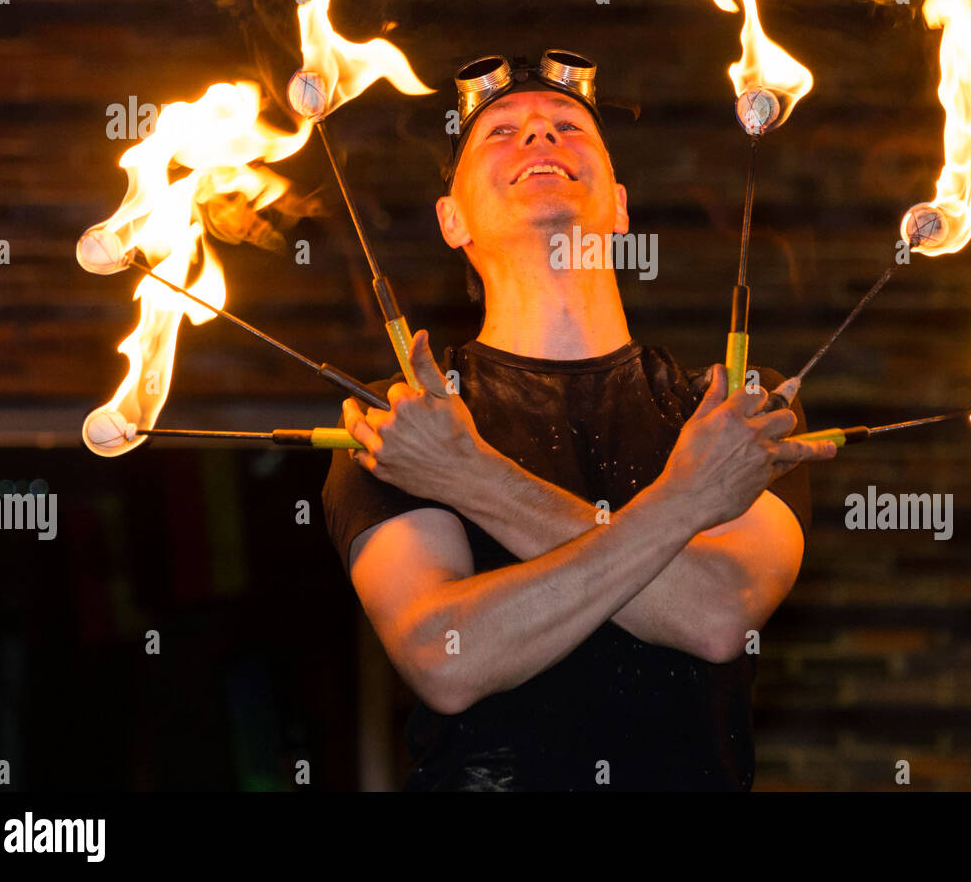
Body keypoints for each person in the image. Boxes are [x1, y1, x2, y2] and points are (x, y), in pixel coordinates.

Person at [321, 50, 836, 790]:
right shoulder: (402, 418)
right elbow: (447, 656)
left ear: (620, 208)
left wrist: (471, 477)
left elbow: (718, 612)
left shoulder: (732, 409)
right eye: (500, 131)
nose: (538, 135)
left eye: (568, 125)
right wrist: (687, 502)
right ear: (451, 218)